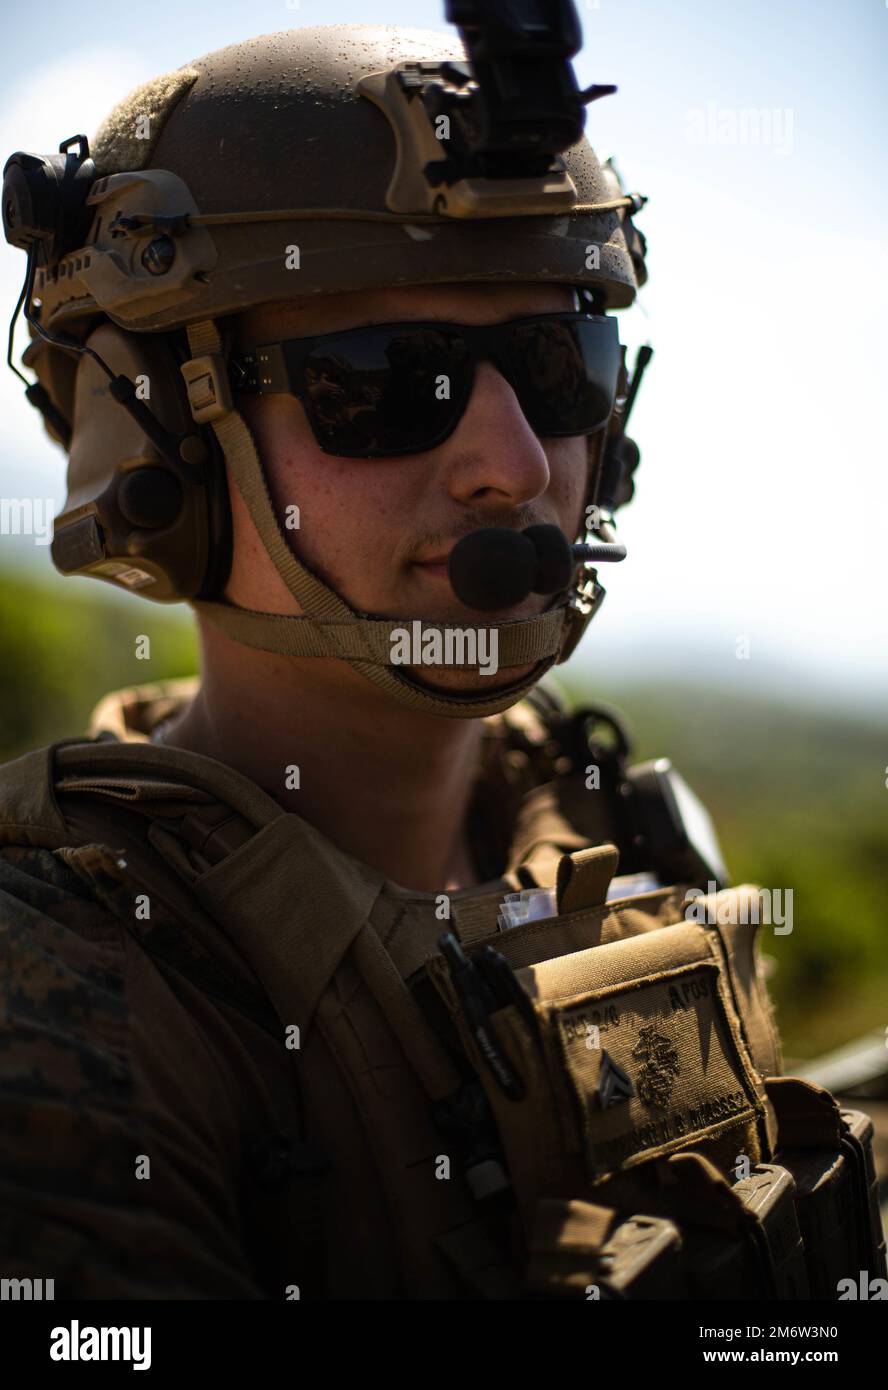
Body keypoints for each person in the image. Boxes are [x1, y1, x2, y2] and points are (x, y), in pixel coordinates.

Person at [0, 22, 882, 1301]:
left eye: (554, 369)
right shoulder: (65, 987)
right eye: (388, 382)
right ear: (161, 457)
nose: (517, 466)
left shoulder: (597, 818)